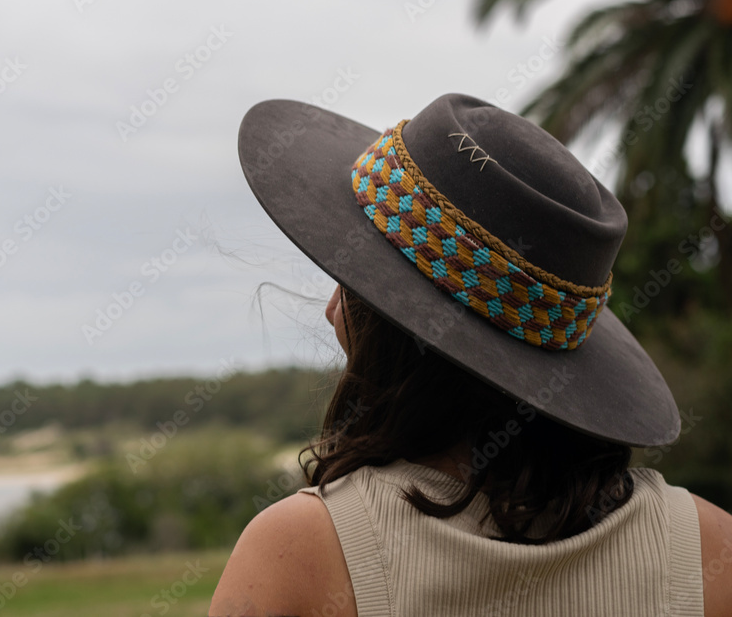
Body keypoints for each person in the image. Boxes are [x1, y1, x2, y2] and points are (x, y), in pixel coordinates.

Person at [210, 95, 732, 616]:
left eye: (351, 285)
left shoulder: (302, 553)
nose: (330, 310)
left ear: (398, 334)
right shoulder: (709, 549)